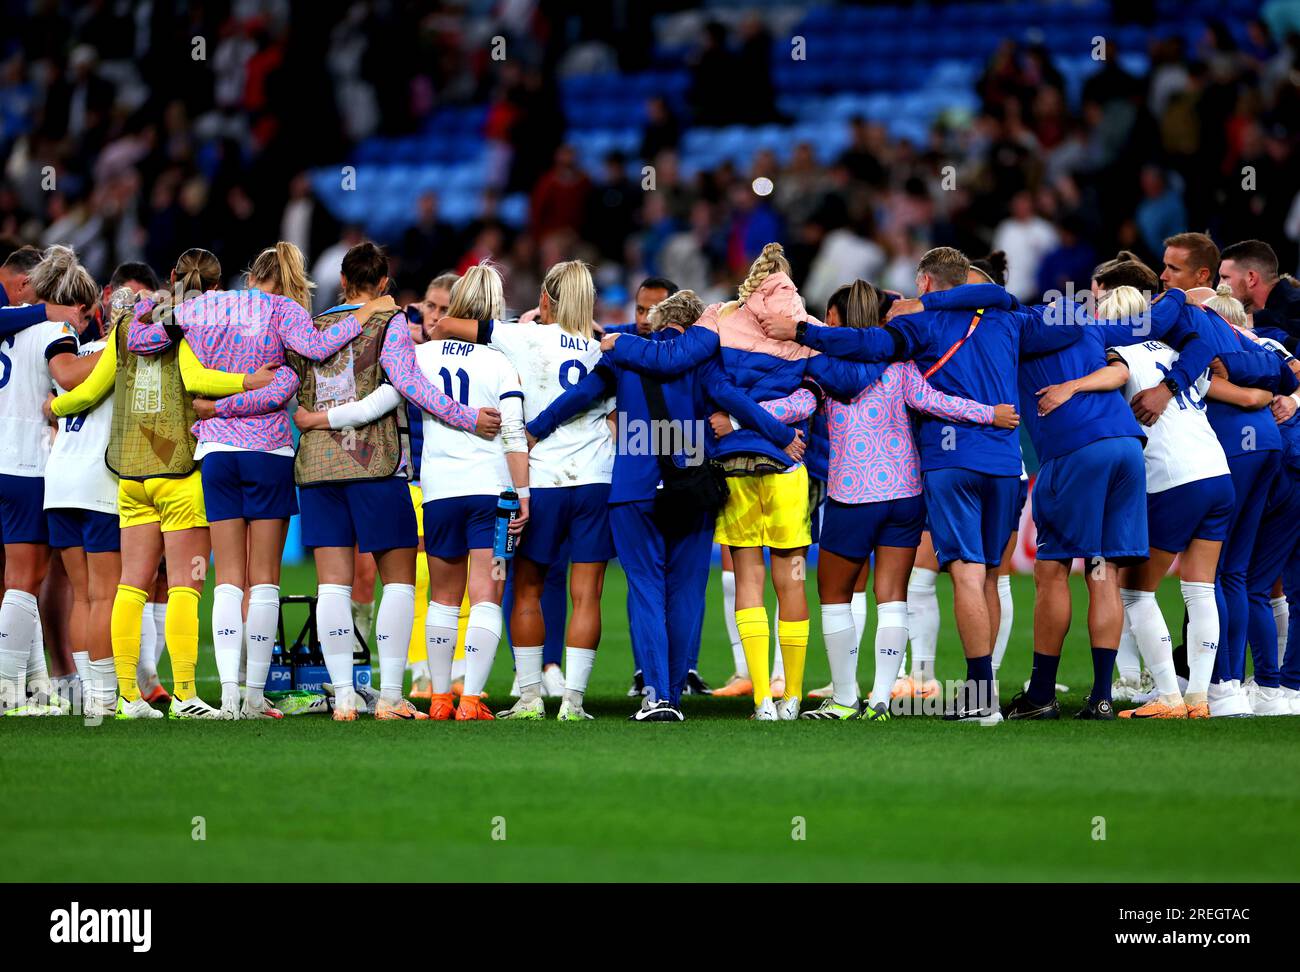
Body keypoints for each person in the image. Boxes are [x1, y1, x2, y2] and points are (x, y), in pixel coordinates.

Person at [766, 246, 1087, 723]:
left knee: (963, 575)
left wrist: (802, 333)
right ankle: (977, 694)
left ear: (926, 284)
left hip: (940, 466)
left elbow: (868, 346)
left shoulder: (918, 328)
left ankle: (929, 700)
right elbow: (1072, 323)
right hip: (1003, 462)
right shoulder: (1007, 319)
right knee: (989, 579)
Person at [600, 243, 883, 719]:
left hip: (734, 470)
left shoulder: (721, 317)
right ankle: (793, 695)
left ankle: (762, 701)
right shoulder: (804, 329)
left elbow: (678, 362)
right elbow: (850, 383)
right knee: (792, 580)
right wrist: (803, 393)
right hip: (786, 469)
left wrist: (620, 342)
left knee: (746, 582)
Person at [132, 243, 371, 719]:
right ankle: (255, 694)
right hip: (267, 453)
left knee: (227, 582)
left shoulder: (196, 307)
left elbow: (139, 338)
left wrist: (160, 298)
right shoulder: (281, 309)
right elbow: (320, 349)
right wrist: (366, 316)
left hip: (217, 454)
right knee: (264, 582)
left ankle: (226, 697)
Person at [49, 250, 279, 719]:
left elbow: (89, 392)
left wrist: (52, 410)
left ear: (171, 277)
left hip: (132, 478)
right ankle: (186, 695)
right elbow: (198, 378)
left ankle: (128, 698)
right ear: (213, 289)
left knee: (130, 587)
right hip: (178, 476)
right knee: (183, 588)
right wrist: (249, 381)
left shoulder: (125, 331)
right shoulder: (189, 328)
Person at [297, 264, 530, 721]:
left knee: (441, 598)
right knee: (485, 596)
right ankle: (471, 700)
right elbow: (515, 433)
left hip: (439, 494)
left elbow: (375, 403)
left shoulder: (420, 356)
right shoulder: (502, 362)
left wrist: (317, 420)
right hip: (492, 493)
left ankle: (439, 697)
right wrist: (524, 493)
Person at [789, 280, 1016, 722]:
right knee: (892, 596)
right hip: (906, 495)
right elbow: (938, 402)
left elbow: (797, 404)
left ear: (838, 321)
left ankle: (843, 698)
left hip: (853, 494)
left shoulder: (823, 367)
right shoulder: (903, 365)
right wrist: (990, 413)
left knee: (834, 594)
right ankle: (879, 700)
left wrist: (755, 423)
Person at [434, 261, 614, 721]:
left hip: (541, 479)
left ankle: (531, 697)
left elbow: (446, 324)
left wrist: (516, 323)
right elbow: (613, 420)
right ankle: (573, 701)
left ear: (547, 300)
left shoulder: (521, 337)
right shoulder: (599, 349)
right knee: (587, 593)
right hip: (595, 478)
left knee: (528, 588)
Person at [0, 246, 100, 714]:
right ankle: (7, 691)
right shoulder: (54, 330)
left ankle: (35, 682)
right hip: (27, 466)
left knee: (16, 579)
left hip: (4, 461)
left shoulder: (9, 325)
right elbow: (67, 374)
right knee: (26, 579)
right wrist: (118, 350)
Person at [1219, 239, 1300, 352]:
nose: (1219, 286)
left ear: (1251, 278)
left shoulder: (1295, 305)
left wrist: (1259, 319)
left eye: (1225, 277)